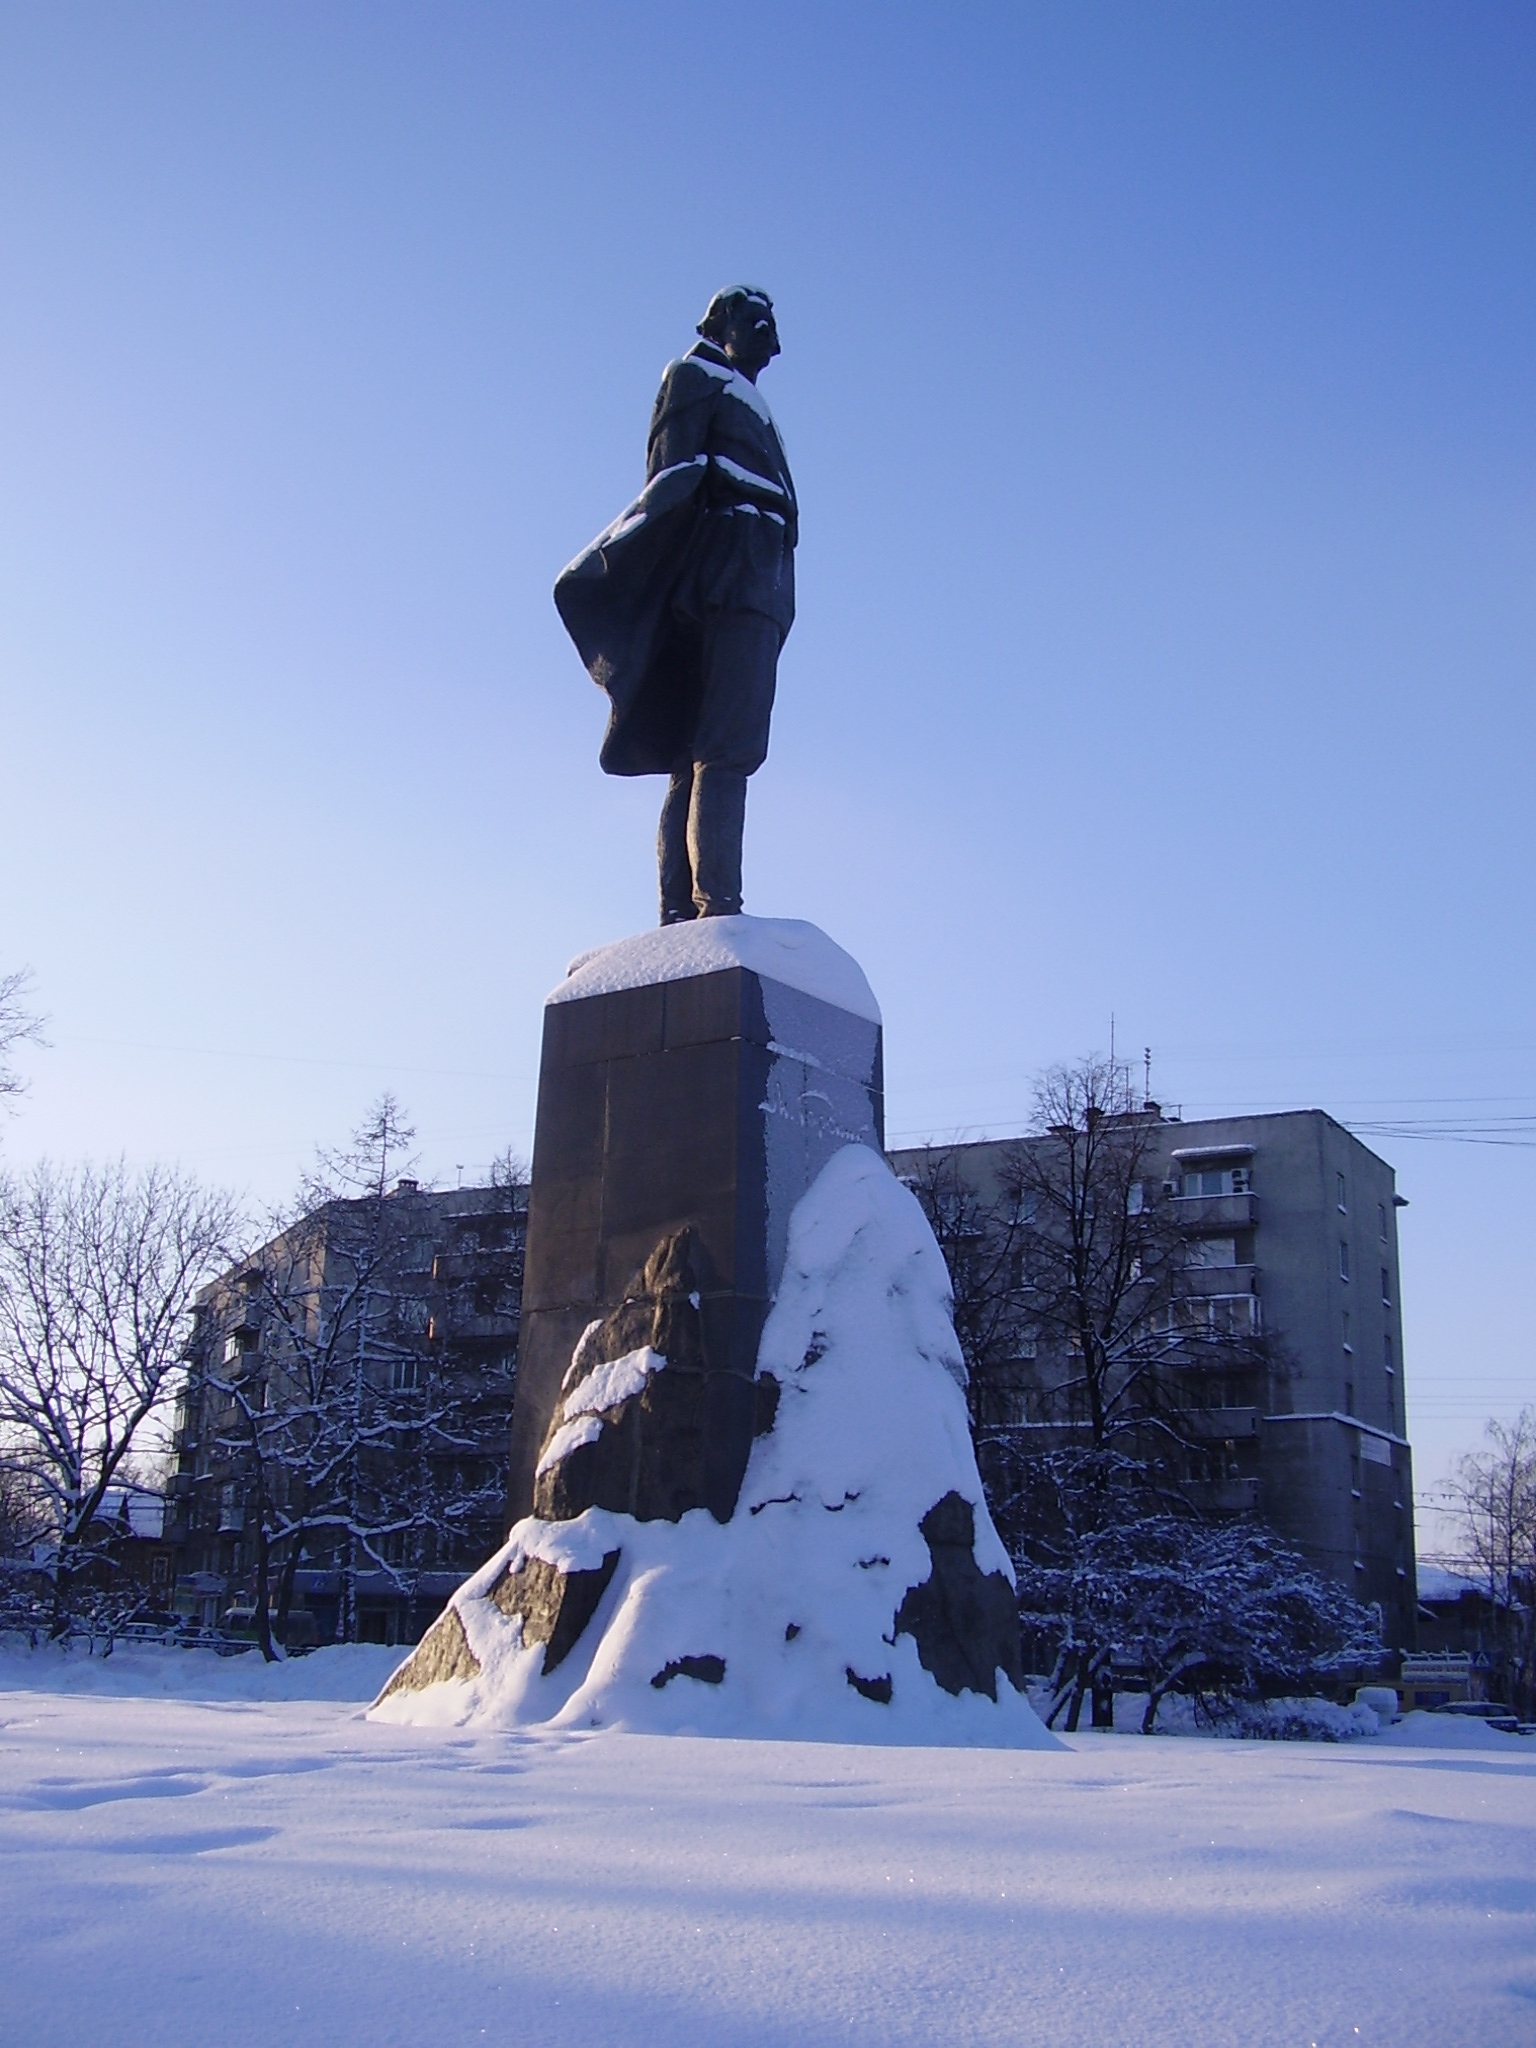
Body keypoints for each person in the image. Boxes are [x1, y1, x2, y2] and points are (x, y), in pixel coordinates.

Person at [554, 287, 796, 921]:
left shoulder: (748, 398)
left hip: (758, 581)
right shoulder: (695, 375)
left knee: (705, 752)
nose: (773, 339)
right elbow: (672, 475)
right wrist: (618, 553)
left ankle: (690, 912)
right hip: (728, 575)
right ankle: (712, 909)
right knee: (723, 747)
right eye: (759, 323)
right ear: (723, 324)